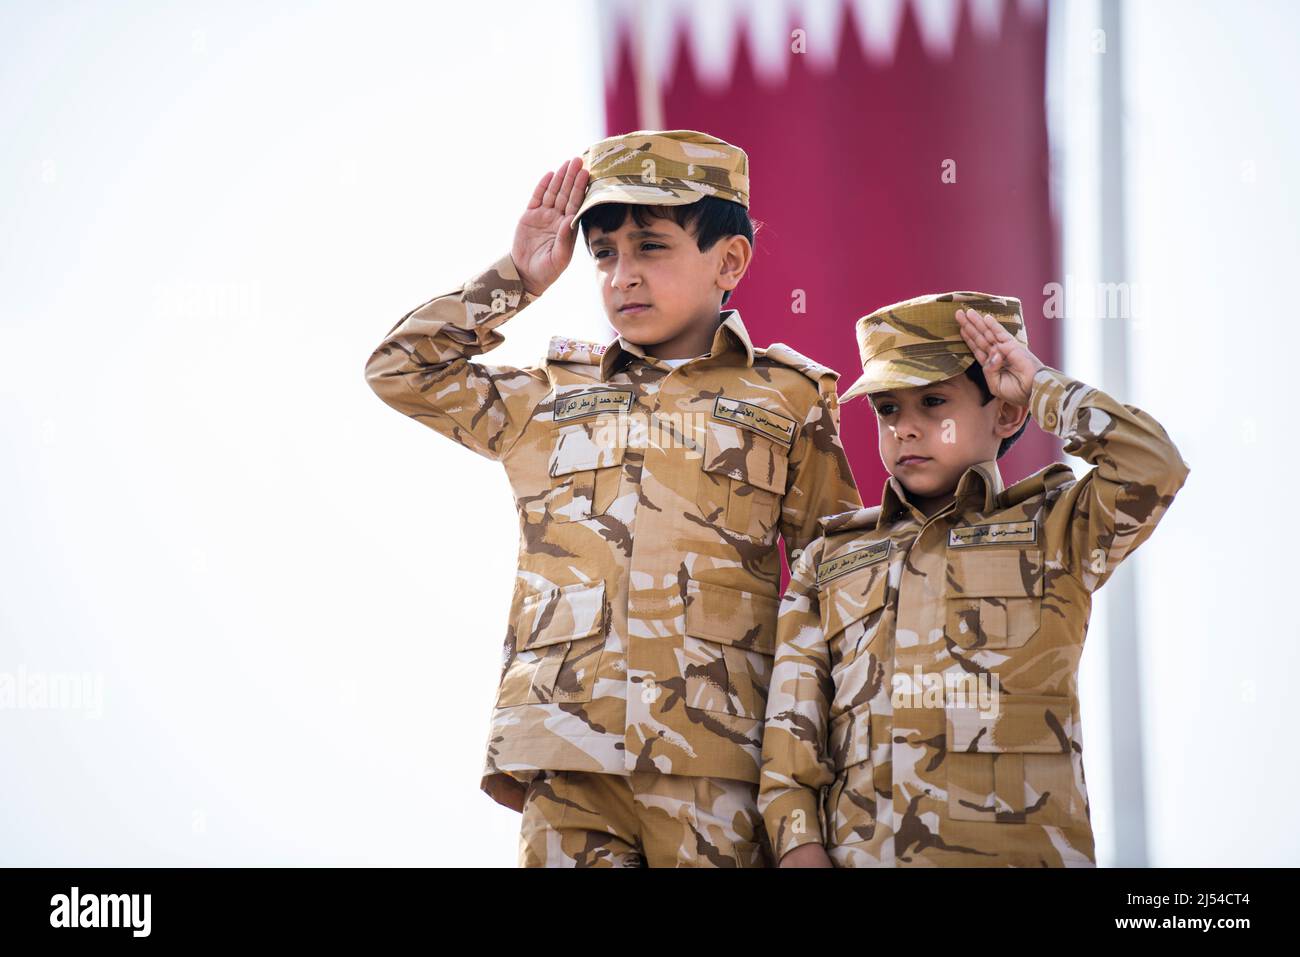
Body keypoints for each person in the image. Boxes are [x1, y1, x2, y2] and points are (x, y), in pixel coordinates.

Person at [363, 129, 862, 866]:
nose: (621, 275)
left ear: (729, 260)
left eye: (650, 247)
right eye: (603, 254)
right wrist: (517, 279)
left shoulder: (790, 400)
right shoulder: (551, 393)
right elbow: (401, 369)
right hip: (567, 762)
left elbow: (836, 608)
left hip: (719, 765)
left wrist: (803, 816)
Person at [758, 292, 1190, 867]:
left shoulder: (1056, 529)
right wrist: (799, 851)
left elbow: (1152, 465)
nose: (907, 428)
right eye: (888, 409)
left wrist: (1040, 387)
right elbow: (791, 743)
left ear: (1006, 413)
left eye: (934, 401)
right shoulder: (829, 561)